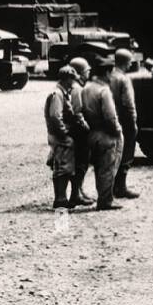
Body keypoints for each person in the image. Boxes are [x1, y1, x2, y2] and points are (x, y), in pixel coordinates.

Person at [80, 55, 125, 212]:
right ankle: (105, 200)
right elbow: (110, 116)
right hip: (105, 133)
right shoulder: (104, 91)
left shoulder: (86, 87)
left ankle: (103, 197)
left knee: (98, 167)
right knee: (107, 167)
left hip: (90, 133)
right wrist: (118, 131)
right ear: (107, 73)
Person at [44, 65, 82, 209]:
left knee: (65, 167)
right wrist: (64, 132)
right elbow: (55, 116)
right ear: (67, 79)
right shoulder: (58, 94)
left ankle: (62, 198)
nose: (73, 83)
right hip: (59, 136)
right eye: (72, 79)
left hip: (59, 135)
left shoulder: (61, 92)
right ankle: (60, 199)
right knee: (61, 167)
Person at [110, 47, 140, 199]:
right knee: (126, 152)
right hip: (124, 118)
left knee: (112, 153)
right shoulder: (124, 79)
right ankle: (121, 187)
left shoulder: (108, 76)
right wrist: (133, 121)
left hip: (110, 117)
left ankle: (110, 188)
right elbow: (128, 103)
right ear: (126, 63)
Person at [67, 56, 95, 207]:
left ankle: (77, 191)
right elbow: (77, 112)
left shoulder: (71, 85)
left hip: (72, 129)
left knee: (79, 162)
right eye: (86, 71)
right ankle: (75, 194)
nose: (88, 74)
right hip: (78, 131)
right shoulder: (77, 89)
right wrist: (86, 127)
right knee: (81, 162)